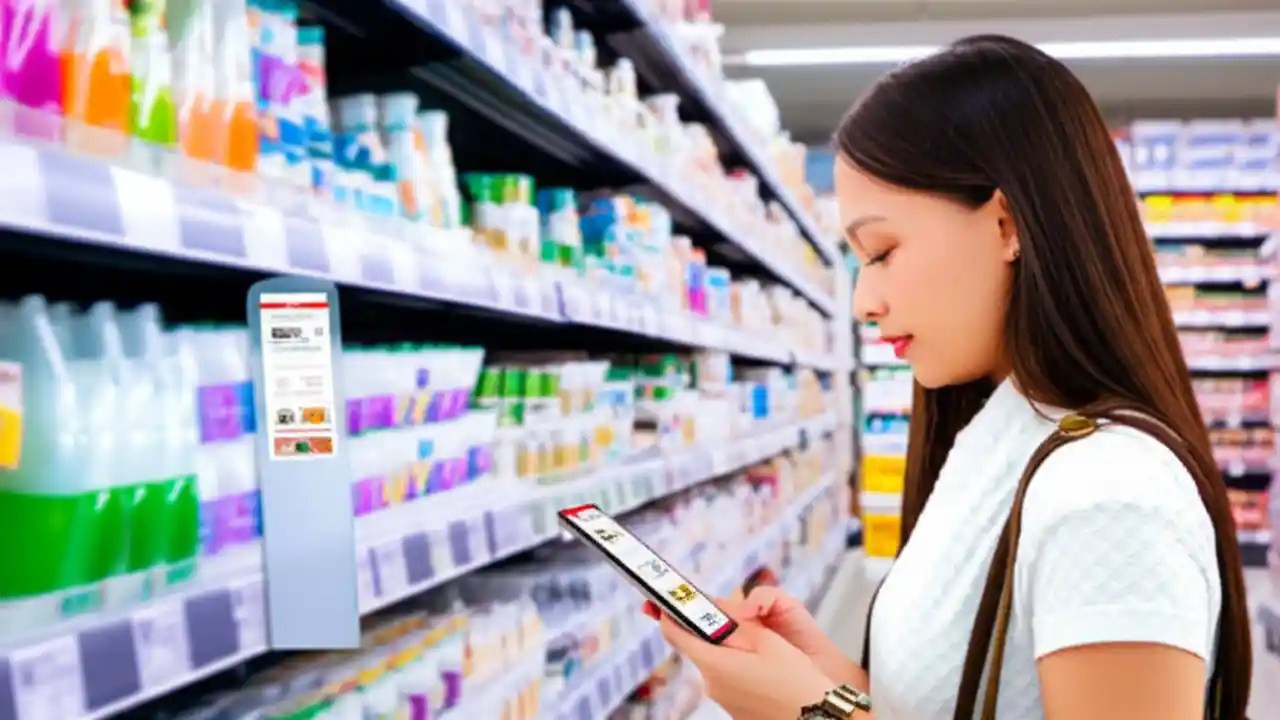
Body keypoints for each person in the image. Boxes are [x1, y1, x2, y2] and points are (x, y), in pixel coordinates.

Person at [642, 34, 1253, 719]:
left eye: (881, 251)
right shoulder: (1001, 434)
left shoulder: (1108, 500)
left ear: (1006, 224)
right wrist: (825, 677)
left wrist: (812, 715)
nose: (862, 302)